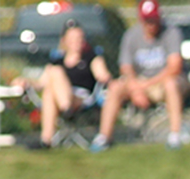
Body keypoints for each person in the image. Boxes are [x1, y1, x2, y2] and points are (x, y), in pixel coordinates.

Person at [92, 0, 182, 152]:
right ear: (141, 19)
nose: (151, 24)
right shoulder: (132, 35)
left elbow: (174, 67)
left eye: (153, 20)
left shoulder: (171, 33)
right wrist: (135, 89)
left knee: (171, 84)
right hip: (139, 83)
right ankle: (104, 137)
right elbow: (126, 68)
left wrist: (145, 86)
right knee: (115, 88)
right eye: (147, 21)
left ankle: (175, 136)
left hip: (160, 83)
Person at [31, 20, 108, 148]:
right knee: (49, 90)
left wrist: (104, 76)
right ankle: (46, 140)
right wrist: (25, 81)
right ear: (64, 40)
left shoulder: (90, 57)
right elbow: (41, 83)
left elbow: (102, 74)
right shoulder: (57, 60)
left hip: (81, 98)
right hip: (61, 98)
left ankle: (65, 110)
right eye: (72, 38)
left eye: (79, 38)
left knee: (55, 72)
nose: (77, 41)